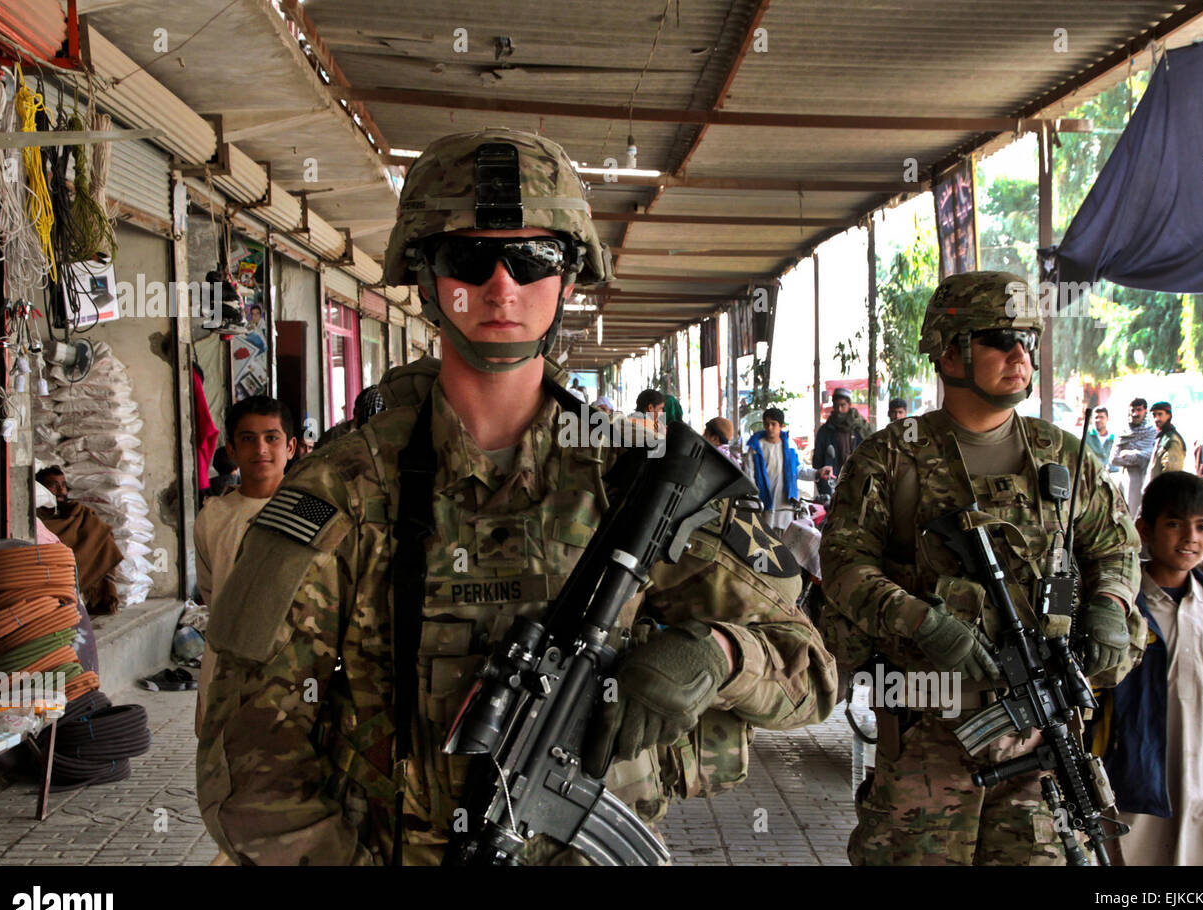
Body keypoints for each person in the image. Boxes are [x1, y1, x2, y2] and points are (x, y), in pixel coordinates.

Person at [197, 128, 836, 866]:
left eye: (534, 259)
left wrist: (719, 652)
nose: (502, 288)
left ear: (570, 278)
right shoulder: (341, 489)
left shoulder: (641, 480)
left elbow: (813, 674)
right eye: (469, 258)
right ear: (426, 275)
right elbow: (247, 755)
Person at [819, 270, 1142, 866]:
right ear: (949, 351)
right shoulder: (892, 456)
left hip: (1040, 734)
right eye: (999, 338)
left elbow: (1116, 549)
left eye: (1027, 340)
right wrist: (920, 621)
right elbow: (842, 565)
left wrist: (1109, 607)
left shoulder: (1063, 456)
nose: (1020, 355)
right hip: (926, 732)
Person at [1092, 472, 1203, 865]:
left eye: (1202, 527)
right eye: (1174, 524)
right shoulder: (1125, 607)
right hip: (1139, 779)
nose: (1191, 538)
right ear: (1144, 529)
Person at [193, 396, 297, 736]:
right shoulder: (215, 516)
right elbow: (211, 588)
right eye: (248, 439)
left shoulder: (311, 512)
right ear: (232, 450)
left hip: (292, 661)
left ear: (291, 447)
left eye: (272, 437)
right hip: (226, 660)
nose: (261, 449)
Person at [35, 466, 125, 615]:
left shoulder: (78, 514)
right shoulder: (37, 523)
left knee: (99, 531)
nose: (61, 491)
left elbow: (99, 531)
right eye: (53, 485)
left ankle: (98, 597)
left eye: (63, 485)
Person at [743, 407, 831, 534]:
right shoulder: (756, 448)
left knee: (785, 543)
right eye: (766, 424)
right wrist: (753, 503)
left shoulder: (790, 446)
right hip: (764, 505)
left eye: (773, 424)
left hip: (786, 506)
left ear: (781, 426)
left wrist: (817, 473)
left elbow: (798, 470)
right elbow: (749, 476)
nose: (769, 428)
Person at [813, 387, 869, 497]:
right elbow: (818, 460)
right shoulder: (825, 431)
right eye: (836, 405)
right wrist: (823, 483)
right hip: (832, 484)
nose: (839, 409)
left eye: (842, 405)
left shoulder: (860, 428)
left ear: (849, 405)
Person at [1112, 398, 1156, 517]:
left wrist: (1133, 454)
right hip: (1124, 478)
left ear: (1145, 411)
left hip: (1143, 477)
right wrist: (1136, 458)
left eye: (1139, 410)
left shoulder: (1151, 431)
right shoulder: (1123, 431)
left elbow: (1150, 454)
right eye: (1133, 410)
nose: (1136, 413)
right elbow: (1114, 458)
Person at [1147, 400, 1186, 483]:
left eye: (1160, 414)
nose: (1156, 419)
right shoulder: (1161, 437)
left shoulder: (1171, 440)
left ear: (1168, 415)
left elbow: (1171, 473)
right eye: (1154, 415)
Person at [1085, 405, 1116, 472]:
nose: (1098, 420)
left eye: (1102, 417)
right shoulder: (1086, 436)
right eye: (1096, 417)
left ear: (1107, 419)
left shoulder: (1113, 438)